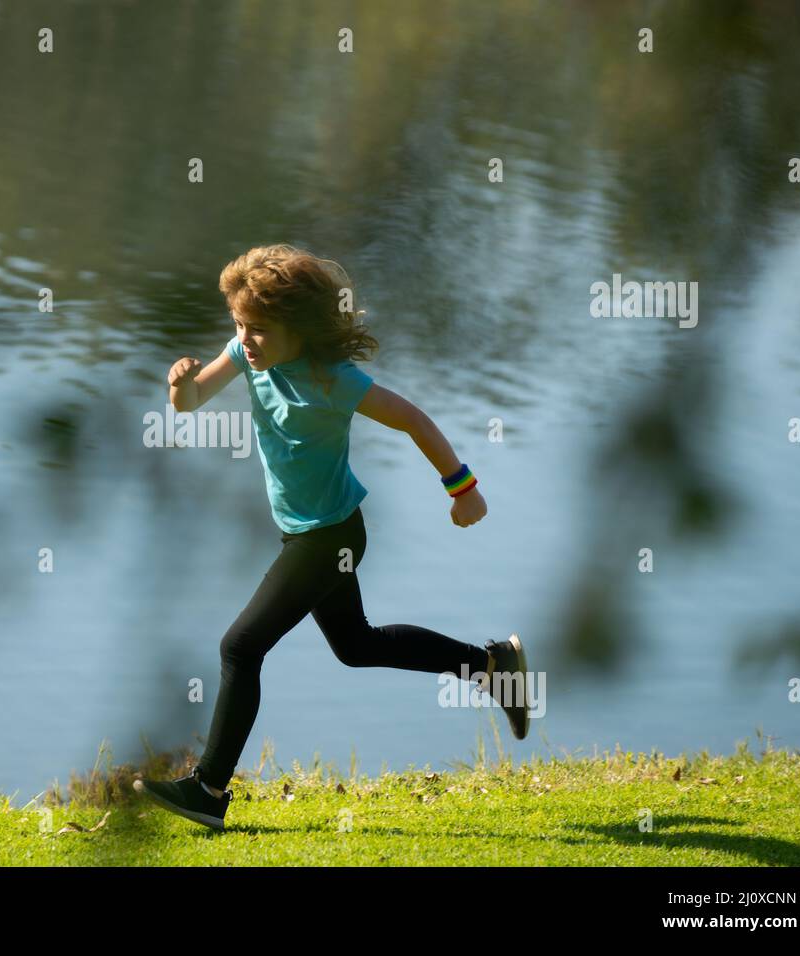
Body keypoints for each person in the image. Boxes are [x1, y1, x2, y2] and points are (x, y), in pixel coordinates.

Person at [136, 244, 530, 831]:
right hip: (303, 534)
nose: (244, 338)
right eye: (239, 324)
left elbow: (413, 419)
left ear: (301, 329)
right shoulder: (246, 355)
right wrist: (179, 385)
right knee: (357, 646)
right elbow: (192, 403)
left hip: (331, 538)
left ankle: (208, 790)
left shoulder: (333, 379)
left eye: (260, 329)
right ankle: (492, 666)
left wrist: (462, 488)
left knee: (239, 648)